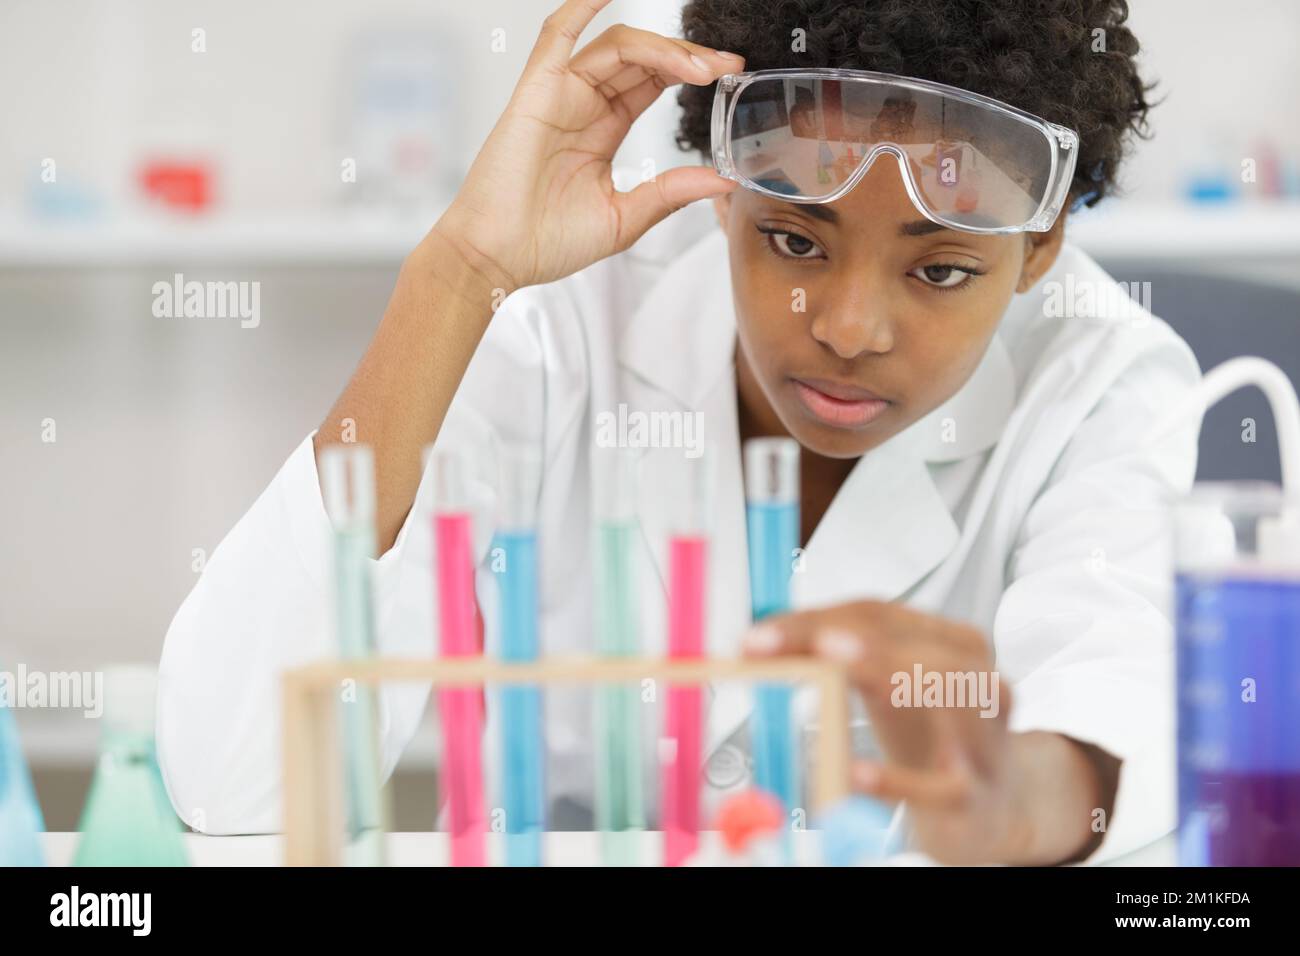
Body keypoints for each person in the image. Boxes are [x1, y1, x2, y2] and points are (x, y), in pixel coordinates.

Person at [158, 0, 1198, 864]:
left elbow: (1115, 717)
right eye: (793, 238)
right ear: (724, 189)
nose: (844, 328)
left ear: (1039, 243)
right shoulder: (561, 325)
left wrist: (1010, 795)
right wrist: (456, 273)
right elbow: (238, 784)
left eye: (938, 270)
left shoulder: (1103, 377)